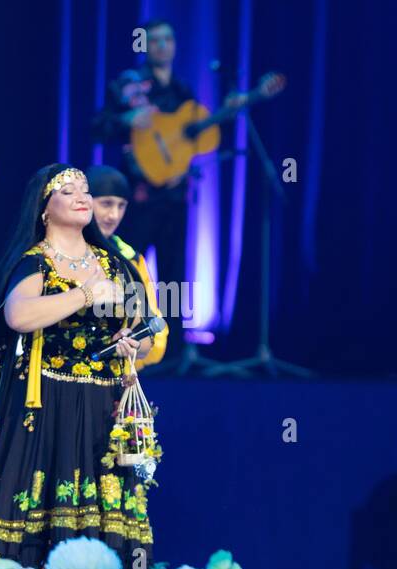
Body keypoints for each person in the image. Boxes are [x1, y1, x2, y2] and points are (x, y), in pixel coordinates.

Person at [0, 165, 154, 569]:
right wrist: (83, 295)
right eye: (69, 191)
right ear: (43, 208)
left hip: (103, 407)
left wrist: (133, 343)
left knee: (106, 512)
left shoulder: (115, 263)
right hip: (47, 406)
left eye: (86, 191)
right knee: (31, 512)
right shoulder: (36, 261)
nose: (83, 197)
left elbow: (146, 332)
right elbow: (18, 316)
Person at [91, 19, 245, 370]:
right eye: (154, 40)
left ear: (175, 46)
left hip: (175, 197)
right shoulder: (127, 86)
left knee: (176, 275)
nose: (161, 46)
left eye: (167, 40)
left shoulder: (182, 92)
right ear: (144, 46)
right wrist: (128, 117)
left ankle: (173, 352)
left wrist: (231, 111)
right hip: (138, 196)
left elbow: (195, 139)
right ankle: (122, 342)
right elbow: (97, 127)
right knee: (129, 269)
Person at [85, 165, 169, 370]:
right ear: (84, 201)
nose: (113, 215)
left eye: (121, 206)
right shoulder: (58, 250)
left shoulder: (131, 259)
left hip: (113, 371)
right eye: (106, 204)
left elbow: (154, 329)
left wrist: (136, 345)